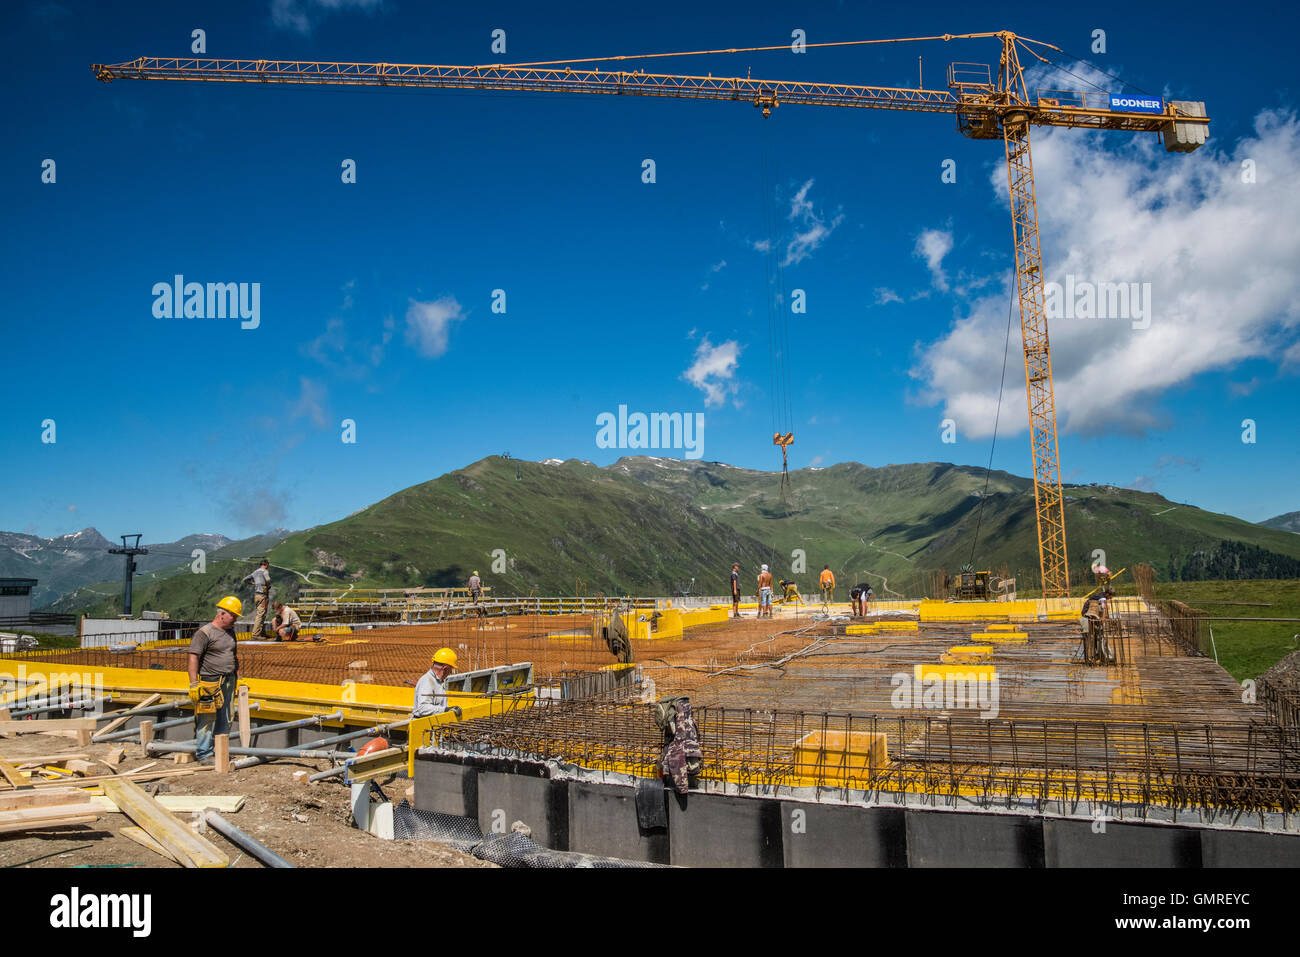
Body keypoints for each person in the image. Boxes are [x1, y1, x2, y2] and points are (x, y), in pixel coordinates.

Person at [188, 596, 242, 764]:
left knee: (226, 716)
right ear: (222, 614)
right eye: (233, 616)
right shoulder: (204, 633)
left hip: (228, 679)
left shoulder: (230, 632)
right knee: (207, 717)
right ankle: (204, 754)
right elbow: (193, 657)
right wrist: (194, 683)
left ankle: (220, 751)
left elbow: (233, 656)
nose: (235, 619)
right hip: (210, 682)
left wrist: (238, 677)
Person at [412, 648, 463, 719]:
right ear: (445, 668)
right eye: (451, 669)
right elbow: (422, 708)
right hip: (422, 725)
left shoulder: (438, 681)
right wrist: (445, 710)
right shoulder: (427, 681)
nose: (451, 672)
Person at [242, 559, 272, 638]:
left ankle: (261, 632)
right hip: (263, 595)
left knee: (262, 614)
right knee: (261, 614)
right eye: (268, 565)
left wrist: (253, 583)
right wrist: (268, 586)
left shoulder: (255, 572)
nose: (268, 566)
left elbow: (245, 580)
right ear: (266, 564)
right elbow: (268, 579)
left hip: (256, 595)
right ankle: (255, 634)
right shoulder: (264, 571)